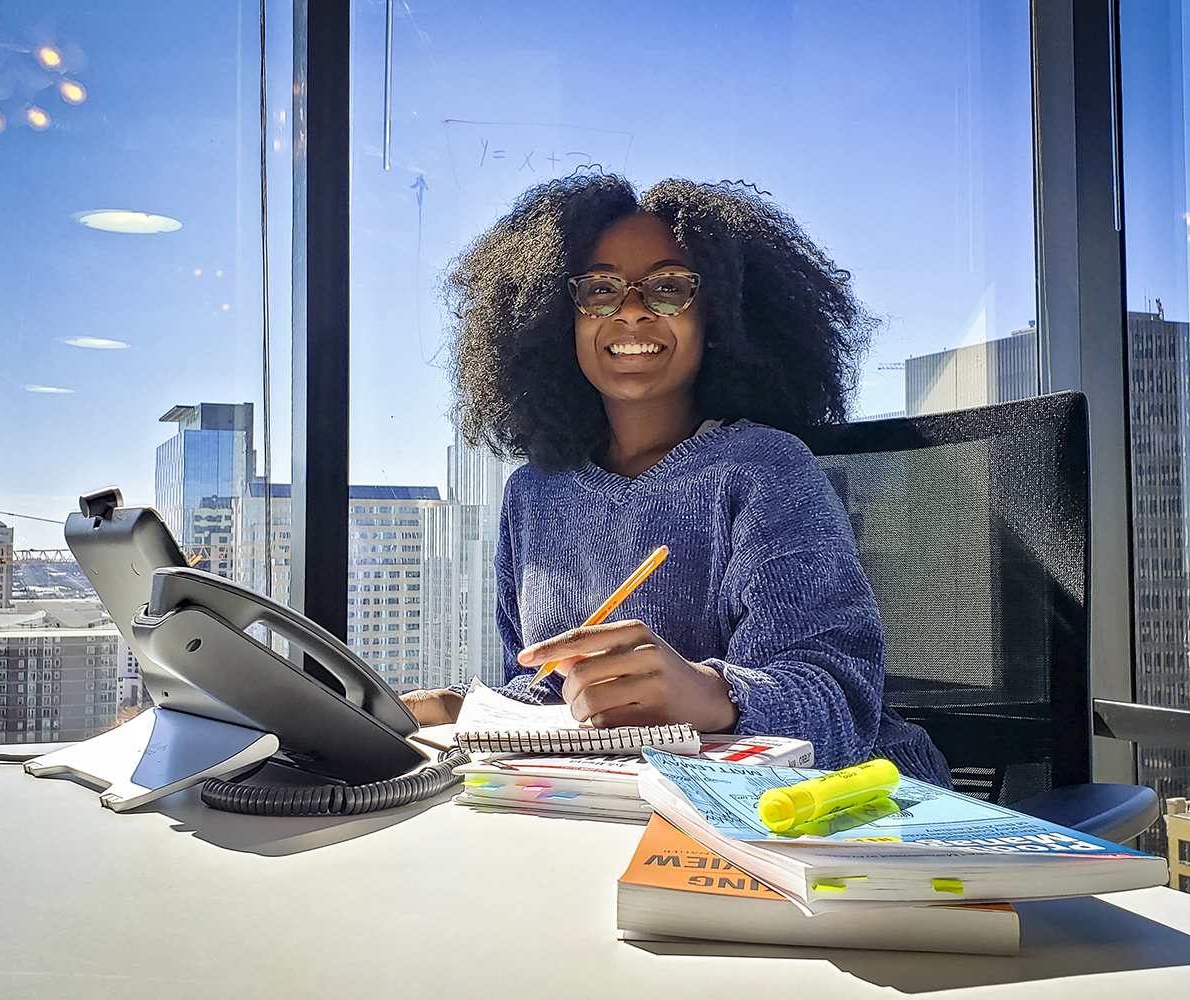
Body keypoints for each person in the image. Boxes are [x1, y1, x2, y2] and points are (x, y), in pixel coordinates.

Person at [401, 173, 950, 783]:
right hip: (630, 800)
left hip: (844, 803)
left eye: (667, 288)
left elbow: (841, 704)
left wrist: (713, 696)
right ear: (559, 321)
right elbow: (553, 694)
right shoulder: (533, 494)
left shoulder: (765, 468)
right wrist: (466, 710)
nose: (632, 310)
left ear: (718, 318)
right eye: (600, 290)